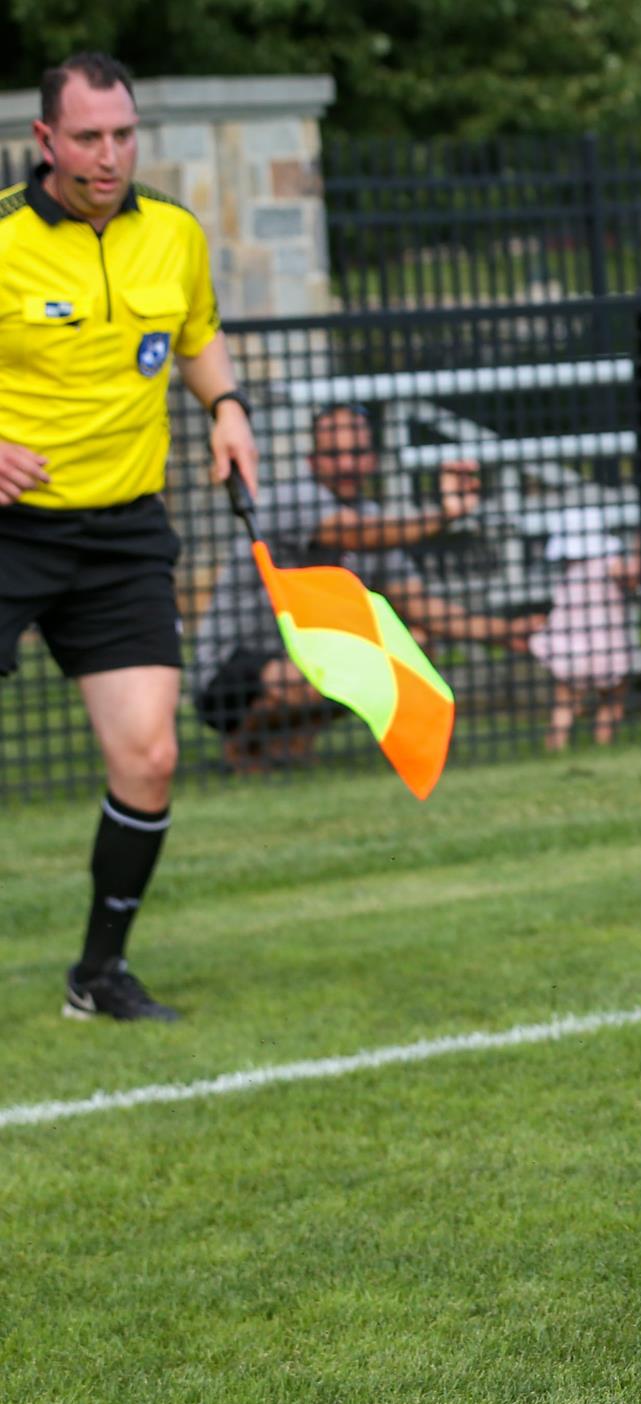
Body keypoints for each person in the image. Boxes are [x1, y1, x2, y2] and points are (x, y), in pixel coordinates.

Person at [1, 53, 261, 1023]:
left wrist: (224, 406)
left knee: (149, 757)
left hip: (121, 536)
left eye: (122, 135)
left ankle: (97, 974)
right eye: (87, 138)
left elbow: (196, 332)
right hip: (8, 529)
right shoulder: (3, 238)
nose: (107, 156)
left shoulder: (175, 233)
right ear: (45, 141)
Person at [190, 405, 540, 770]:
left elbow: (419, 606)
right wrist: (445, 514)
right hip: (229, 673)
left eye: (356, 453)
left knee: (416, 644)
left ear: (372, 459)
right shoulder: (292, 499)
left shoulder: (374, 517)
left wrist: (504, 631)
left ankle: (290, 745)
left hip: (311, 661)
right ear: (312, 460)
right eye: (333, 454)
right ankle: (242, 748)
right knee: (303, 679)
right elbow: (355, 533)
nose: (346, 465)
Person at [528, 528, 640, 750]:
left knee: (564, 705)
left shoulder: (570, 568)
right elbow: (632, 577)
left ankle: (555, 747)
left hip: (570, 650)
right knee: (612, 701)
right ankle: (604, 744)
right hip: (606, 648)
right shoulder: (610, 562)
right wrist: (639, 547)